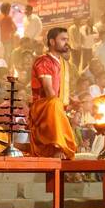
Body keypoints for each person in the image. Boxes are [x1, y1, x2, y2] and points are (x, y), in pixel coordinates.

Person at [28, 28, 78, 158]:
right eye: (62, 39)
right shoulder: (44, 61)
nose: (66, 43)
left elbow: (60, 90)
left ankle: (64, 146)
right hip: (42, 107)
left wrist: (71, 101)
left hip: (54, 105)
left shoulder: (62, 63)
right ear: (52, 42)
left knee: (60, 104)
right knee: (55, 103)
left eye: (67, 40)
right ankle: (57, 146)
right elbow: (49, 91)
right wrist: (62, 106)